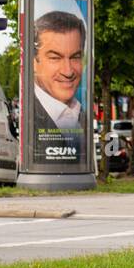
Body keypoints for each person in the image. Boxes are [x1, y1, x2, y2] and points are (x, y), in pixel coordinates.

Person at [32, 10, 86, 160]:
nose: (68, 71)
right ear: (34, 63)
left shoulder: (83, 115)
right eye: (55, 58)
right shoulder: (29, 116)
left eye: (75, 57)